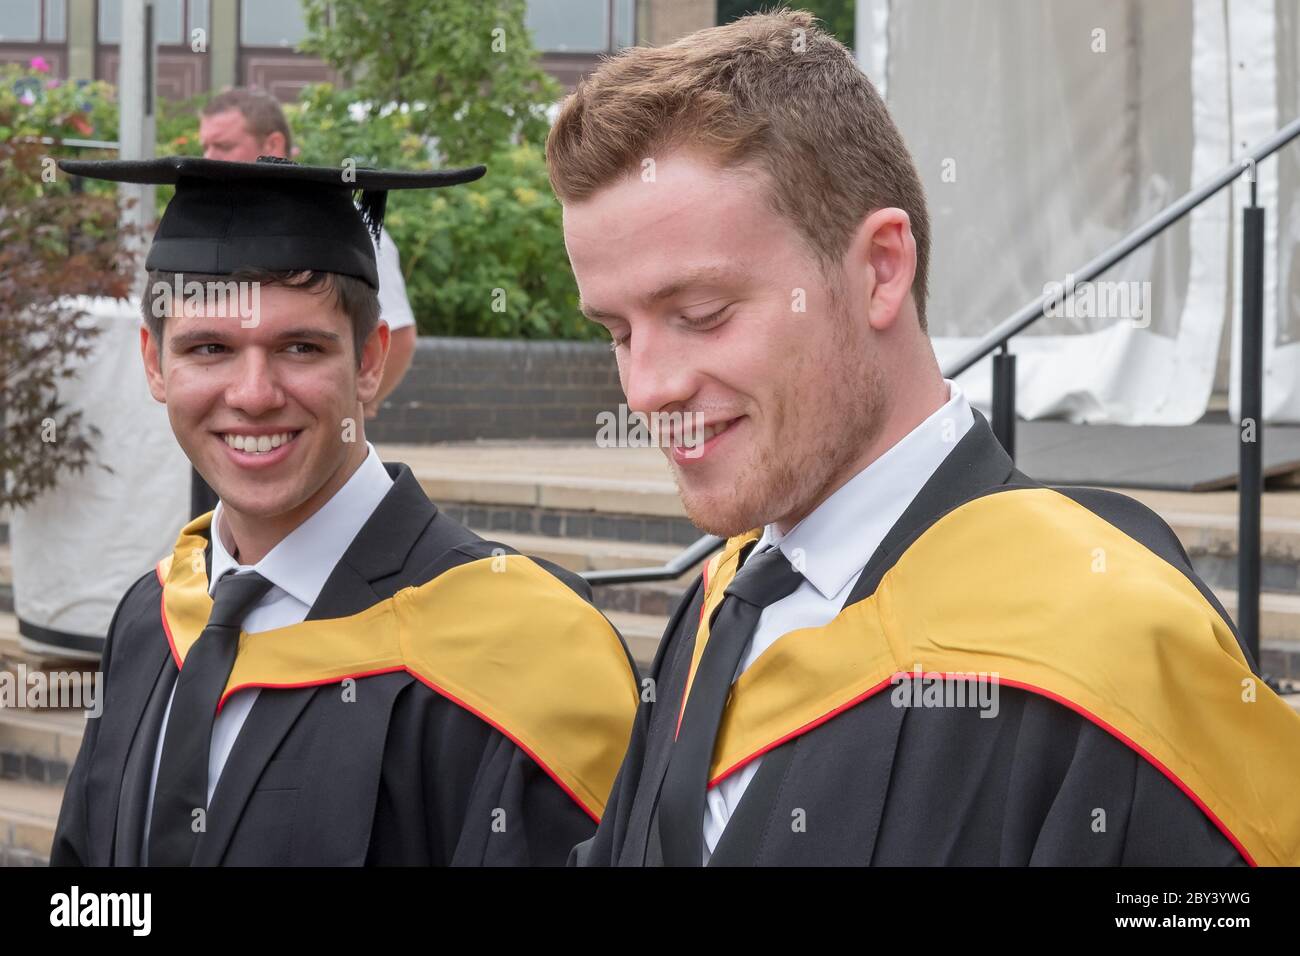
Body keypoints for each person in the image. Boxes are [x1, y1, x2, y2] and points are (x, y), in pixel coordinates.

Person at [547, 10, 1300, 866]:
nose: (646, 387)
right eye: (617, 332)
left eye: (702, 315)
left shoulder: (1113, 653)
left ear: (880, 269)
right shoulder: (724, 600)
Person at [49, 155, 639, 866]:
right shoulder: (151, 620)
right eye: (210, 348)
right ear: (154, 363)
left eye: (300, 347)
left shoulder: (530, 655)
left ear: (369, 360)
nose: (255, 393)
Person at [199, 88, 416, 419]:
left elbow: (398, 333)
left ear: (272, 145)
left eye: (223, 146)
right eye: (205, 147)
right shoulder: (202, 227)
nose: (208, 159)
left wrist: (351, 408)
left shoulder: (341, 225)